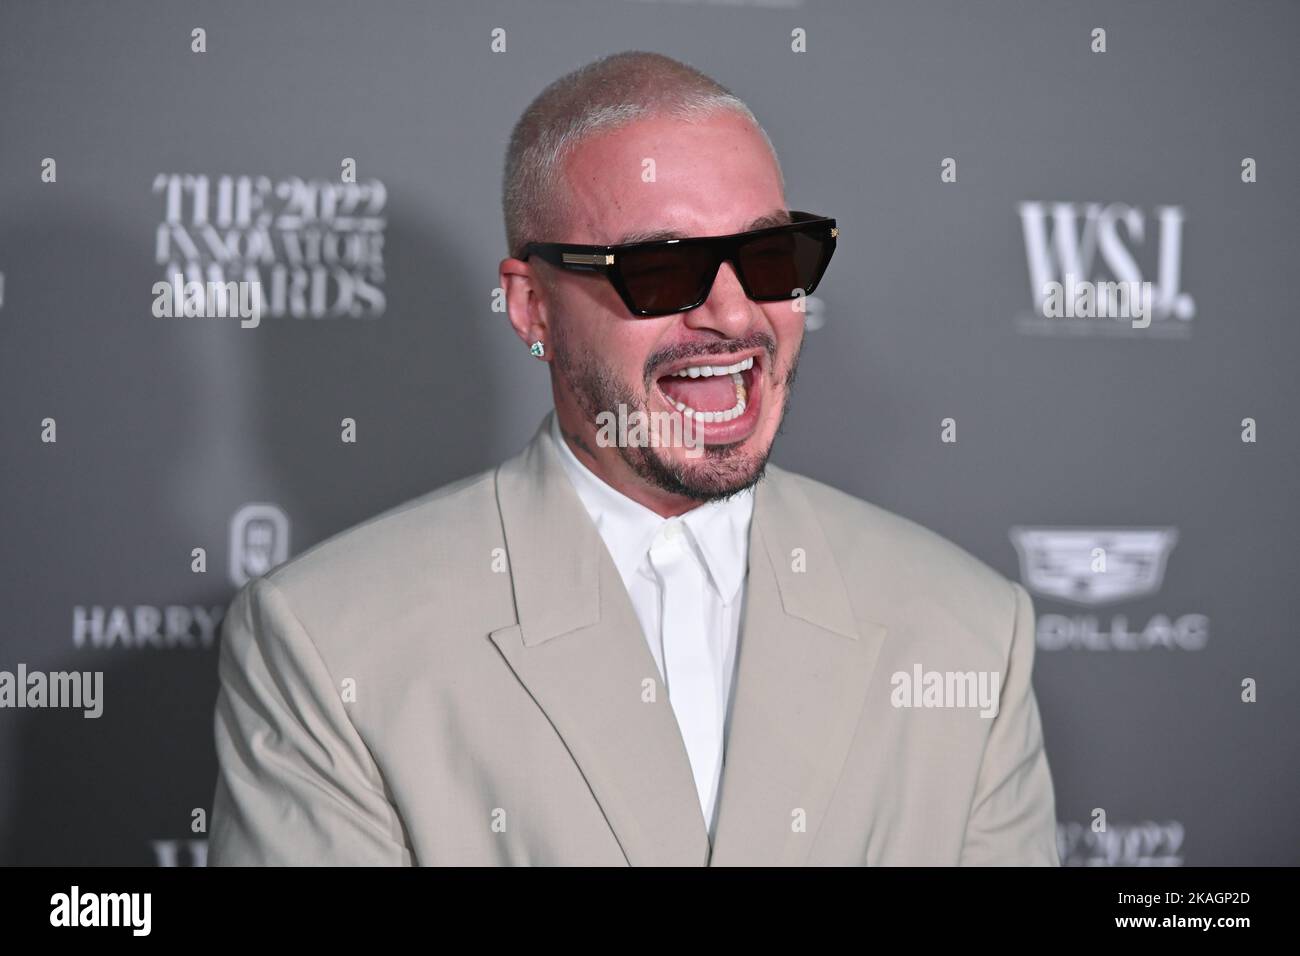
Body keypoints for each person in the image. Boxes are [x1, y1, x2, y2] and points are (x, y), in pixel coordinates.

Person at [210, 50, 1058, 866]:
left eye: (769, 258)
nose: (733, 315)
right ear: (532, 306)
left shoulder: (970, 633)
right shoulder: (330, 645)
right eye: (661, 269)